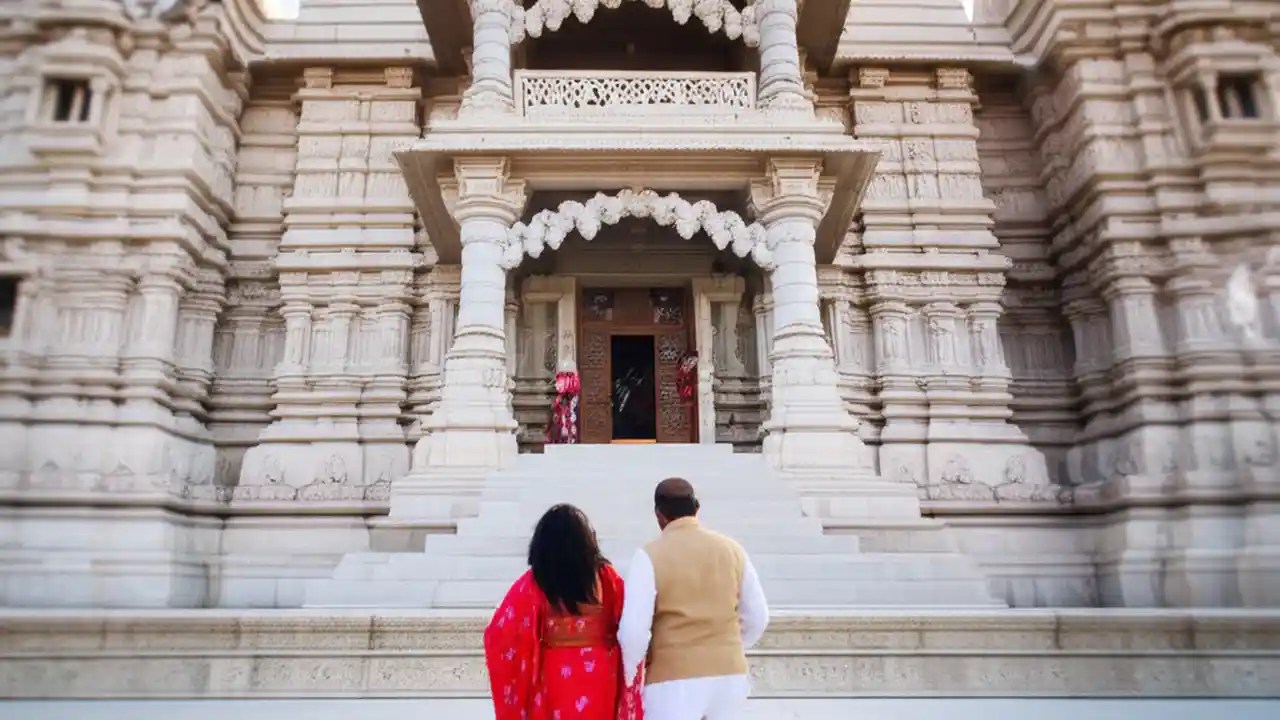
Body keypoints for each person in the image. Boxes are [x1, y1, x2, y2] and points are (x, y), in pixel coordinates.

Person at [617, 478, 770, 720]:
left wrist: (629, 672)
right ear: (697, 509)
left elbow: (634, 631)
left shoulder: (649, 556)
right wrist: (728, 647)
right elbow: (758, 617)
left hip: (673, 680)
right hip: (729, 676)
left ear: (659, 515)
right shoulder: (733, 550)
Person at [483, 504, 642, 720]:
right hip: (602, 674)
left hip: (556, 674)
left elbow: (501, 632)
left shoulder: (536, 581)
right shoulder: (606, 577)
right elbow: (631, 622)